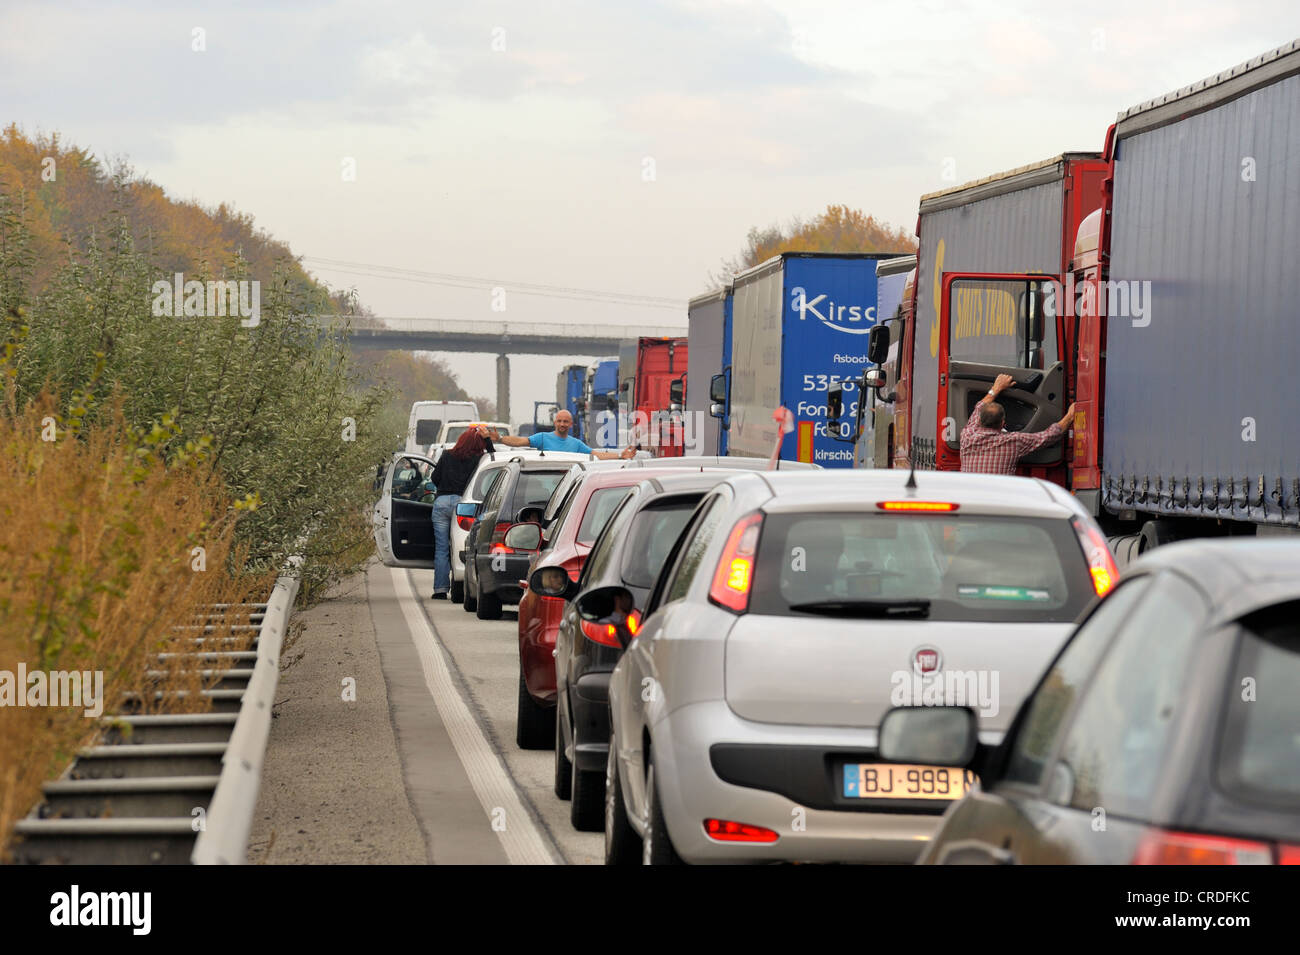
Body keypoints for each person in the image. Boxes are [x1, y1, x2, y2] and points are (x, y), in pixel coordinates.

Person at [959, 373, 1075, 475]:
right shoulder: (1013, 441)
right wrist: (1070, 415)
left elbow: (980, 407)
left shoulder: (967, 435)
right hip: (998, 500)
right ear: (1003, 423)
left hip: (969, 498)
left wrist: (996, 388)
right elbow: (1048, 436)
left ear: (979, 421)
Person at [428, 426, 494, 599]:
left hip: (441, 503)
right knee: (466, 546)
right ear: (478, 444)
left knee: (441, 549)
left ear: (460, 440)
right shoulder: (480, 458)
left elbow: (434, 478)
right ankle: (464, 585)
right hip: (464, 506)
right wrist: (488, 440)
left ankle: (440, 590)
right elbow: (494, 459)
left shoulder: (447, 455)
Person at [488, 410, 636, 459]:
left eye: (566, 421)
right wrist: (500, 439)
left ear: (571, 424)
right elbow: (520, 441)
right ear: (555, 422)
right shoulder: (543, 438)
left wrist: (620, 456)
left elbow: (596, 454)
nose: (562, 424)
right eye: (559, 421)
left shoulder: (576, 444)